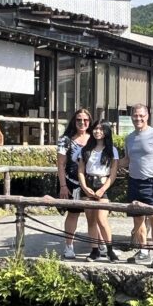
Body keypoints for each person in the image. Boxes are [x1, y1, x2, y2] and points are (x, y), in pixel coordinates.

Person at [119, 104, 153, 269]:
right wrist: (109, 164)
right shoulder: (129, 138)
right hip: (134, 181)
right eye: (135, 116)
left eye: (141, 115)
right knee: (138, 220)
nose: (138, 118)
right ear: (131, 117)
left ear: (147, 116)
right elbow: (127, 160)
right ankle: (143, 251)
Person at [77, 119, 119, 261]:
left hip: (103, 185)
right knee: (91, 220)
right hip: (88, 184)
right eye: (95, 128)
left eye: (101, 129)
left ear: (106, 131)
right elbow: (81, 171)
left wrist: (102, 190)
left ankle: (110, 250)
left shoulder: (112, 150)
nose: (97, 131)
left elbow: (113, 174)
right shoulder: (85, 150)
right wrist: (85, 187)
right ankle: (94, 250)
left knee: (102, 219)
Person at [56, 108, 92, 259]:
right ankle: (69, 246)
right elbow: (61, 165)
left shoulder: (94, 138)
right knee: (73, 214)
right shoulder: (65, 140)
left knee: (94, 216)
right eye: (79, 120)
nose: (82, 123)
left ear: (89, 121)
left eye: (85, 120)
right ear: (74, 121)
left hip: (92, 184)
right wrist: (63, 186)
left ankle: (97, 247)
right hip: (72, 183)